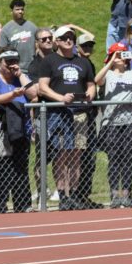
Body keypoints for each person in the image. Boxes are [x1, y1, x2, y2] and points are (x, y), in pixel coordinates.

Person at [38, 25, 96, 210]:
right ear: (57, 41)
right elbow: (42, 87)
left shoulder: (83, 62)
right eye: (64, 38)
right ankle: (63, 194)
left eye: (71, 37)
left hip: (79, 113)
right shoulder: (49, 61)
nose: (69, 40)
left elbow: (91, 85)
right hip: (59, 113)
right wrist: (60, 99)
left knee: (76, 154)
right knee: (62, 154)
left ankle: (74, 193)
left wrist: (89, 96)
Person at [96, 42, 132, 207]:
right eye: (118, 54)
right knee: (114, 158)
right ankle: (115, 194)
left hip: (130, 121)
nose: (121, 57)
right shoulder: (108, 75)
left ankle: (127, 195)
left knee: (128, 159)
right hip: (111, 122)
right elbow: (97, 80)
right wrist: (110, 61)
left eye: (123, 54)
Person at [0, 50, 38, 214]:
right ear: (0, 61)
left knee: (20, 168)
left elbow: (33, 94)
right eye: (8, 62)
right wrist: (13, 94)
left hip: (19, 129)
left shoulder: (20, 77)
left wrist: (20, 75)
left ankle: (22, 203)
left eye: (15, 61)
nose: (12, 65)